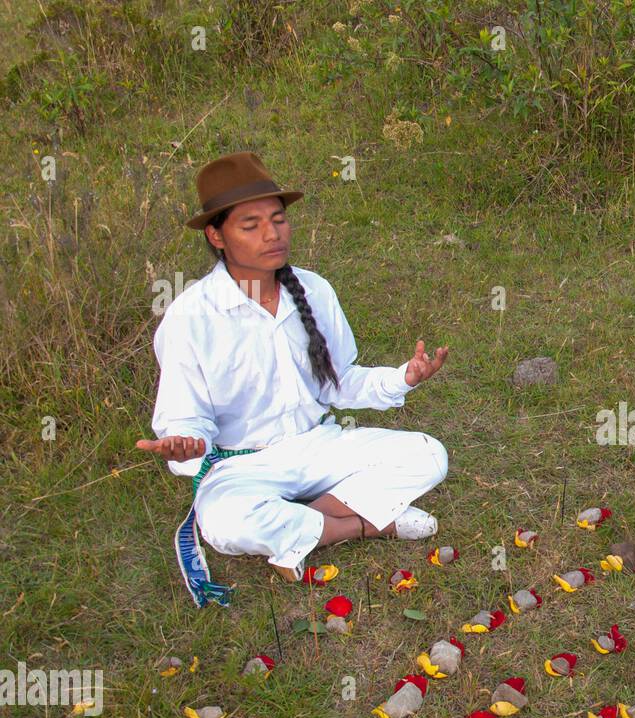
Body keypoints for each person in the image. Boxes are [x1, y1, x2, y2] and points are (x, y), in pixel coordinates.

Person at [137, 151, 449, 605]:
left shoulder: (314, 290)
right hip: (238, 465)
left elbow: (338, 382)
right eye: (251, 225)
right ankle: (371, 524)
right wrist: (188, 442)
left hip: (316, 444)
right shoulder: (190, 317)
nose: (272, 234)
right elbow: (186, 418)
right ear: (216, 235)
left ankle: (299, 526)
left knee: (428, 455)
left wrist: (403, 377)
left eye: (278, 219)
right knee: (224, 522)